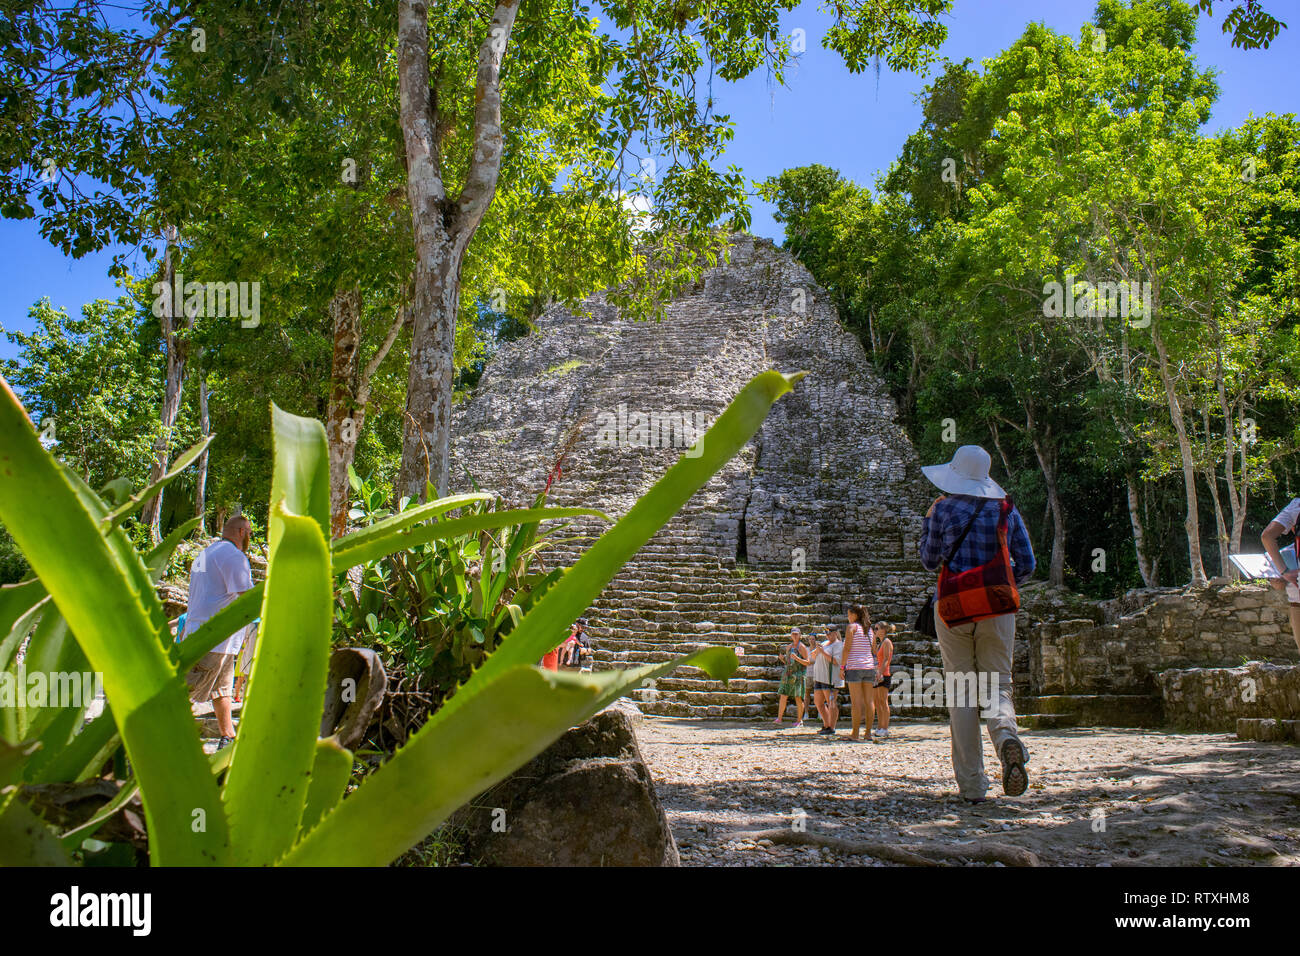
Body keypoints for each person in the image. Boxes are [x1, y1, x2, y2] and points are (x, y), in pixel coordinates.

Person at [920, 445, 1036, 803]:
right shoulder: (1005, 508)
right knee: (998, 685)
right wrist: (996, 582)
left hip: (954, 607)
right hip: (997, 608)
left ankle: (972, 785)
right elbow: (1027, 563)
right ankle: (1005, 738)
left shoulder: (941, 508)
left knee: (961, 691)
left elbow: (928, 559)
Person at [182, 515, 255, 751]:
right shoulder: (234, 557)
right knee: (184, 692)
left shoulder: (206, 554)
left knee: (221, 690)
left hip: (212, 637)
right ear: (242, 532)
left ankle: (228, 738)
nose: (250, 539)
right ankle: (161, 739)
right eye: (250, 534)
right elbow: (249, 598)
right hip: (212, 638)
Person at [1261, 496, 1300, 655]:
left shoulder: (1297, 505)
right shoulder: (1287, 553)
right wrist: (1278, 580)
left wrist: (1284, 572)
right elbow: (1276, 583)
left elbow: (1267, 536)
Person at [839, 604, 879, 743]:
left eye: (849, 614)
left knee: (856, 702)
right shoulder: (869, 630)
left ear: (854, 615)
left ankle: (855, 733)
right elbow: (874, 650)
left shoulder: (852, 627)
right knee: (869, 701)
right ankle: (868, 733)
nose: (848, 617)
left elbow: (847, 649)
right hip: (869, 667)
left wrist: (842, 667)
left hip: (854, 667)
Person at [809, 627, 844, 735]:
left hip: (831, 677)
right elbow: (813, 656)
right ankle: (826, 724)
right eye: (826, 633)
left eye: (829, 633)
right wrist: (816, 651)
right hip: (820, 676)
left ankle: (831, 727)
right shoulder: (825, 643)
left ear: (835, 633)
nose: (827, 635)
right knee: (818, 702)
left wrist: (822, 652)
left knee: (831, 702)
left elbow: (836, 661)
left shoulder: (838, 645)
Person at [773, 628, 809, 727]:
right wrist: (782, 659)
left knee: (798, 697)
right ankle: (779, 718)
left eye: (796, 634)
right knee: (783, 696)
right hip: (788, 675)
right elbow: (788, 662)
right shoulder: (789, 647)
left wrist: (797, 658)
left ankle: (799, 720)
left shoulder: (802, 647)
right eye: (793, 634)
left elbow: (807, 662)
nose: (795, 636)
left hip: (798, 675)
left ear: (800, 635)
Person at [871, 622, 896, 739]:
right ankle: (880, 726)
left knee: (883, 701)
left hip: (883, 674)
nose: (875, 630)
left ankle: (884, 728)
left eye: (877, 628)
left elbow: (886, 659)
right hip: (878, 673)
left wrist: (880, 672)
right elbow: (874, 652)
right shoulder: (881, 642)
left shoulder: (886, 642)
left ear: (883, 630)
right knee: (877, 702)